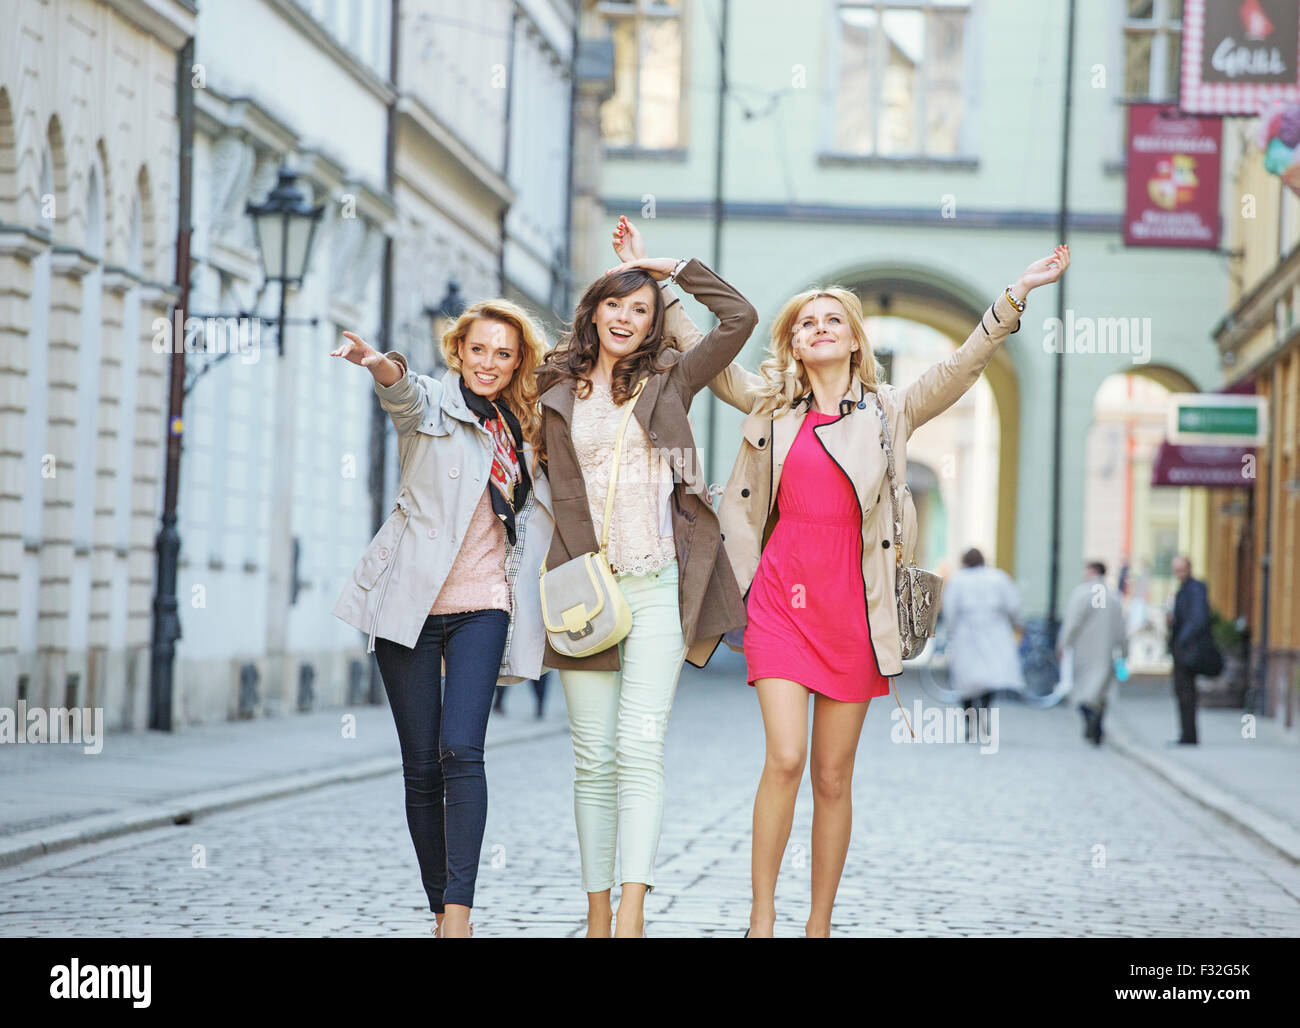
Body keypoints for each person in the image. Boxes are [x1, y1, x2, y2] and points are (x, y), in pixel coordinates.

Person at [667, 230, 1070, 937]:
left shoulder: (891, 410)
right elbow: (709, 357)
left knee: (831, 777)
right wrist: (663, 286)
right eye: (806, 323)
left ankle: (817, 924)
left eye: (833, 321)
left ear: (854, 341)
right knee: (785, 759)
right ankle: (762, 917)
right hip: (781, 604)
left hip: (856, 608)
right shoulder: (770, 409)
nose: (819, 329)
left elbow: (963, 365)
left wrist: (1016, 296)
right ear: (793, 344)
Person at [537, 229, 757, 939]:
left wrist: (671, 267)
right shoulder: (552, 383)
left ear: (653, 318)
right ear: (594, 312)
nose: (627, 318)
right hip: (580, 586)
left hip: (658, 581)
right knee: (592, 758)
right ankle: (596, 911)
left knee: (639, 745)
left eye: (641, 308)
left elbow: (739, 318)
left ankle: (631, 907)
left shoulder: (671, 379)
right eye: (616, 305)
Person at [330, 300, 554, 938]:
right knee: (421, 764)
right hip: (410, 604)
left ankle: (459, 916)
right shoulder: (432, 404)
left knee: (462, 748)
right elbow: (401, 395)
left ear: (518, 363)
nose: (489, 363)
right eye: (478, 350)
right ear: (459, 351)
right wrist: (378, 364)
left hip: (485, 603)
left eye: (503, 354)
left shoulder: (526, 431)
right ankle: (437, 905)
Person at [940, 547, 1025, 741]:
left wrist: (950, 632)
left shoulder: (958, 580)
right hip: (994, 630)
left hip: (966, 631)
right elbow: (1013, 604)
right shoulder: (998, 577)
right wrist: (1017, 624)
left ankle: (970, 719)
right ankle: (984, 711)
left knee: (966, 679)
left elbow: (950, 609)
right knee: (989, 677)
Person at [1057, 561, 1128, 746]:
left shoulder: (1082, 593)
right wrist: (1124, 651)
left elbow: (1073, 622)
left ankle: (1089, 718)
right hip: (1106, 650)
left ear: (1092, 571)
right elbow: (1122, 628)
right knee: (1101, 691)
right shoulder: (1113, 596)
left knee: (1082, 690)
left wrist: (1064, 643)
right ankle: (1096, 720)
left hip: (1084, 649)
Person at [1166, 555, 1218, 746]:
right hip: (1183, 648)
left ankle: (1189, 736)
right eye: (1176, 570)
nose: (1178, 574)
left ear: (1189, 568)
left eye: (1181, 570)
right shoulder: (1184, 589)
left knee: (1186, 693)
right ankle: (1186, 734)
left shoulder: (1195, 588)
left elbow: (1198, 618)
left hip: (1189, 649)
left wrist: (1181, 640)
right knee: (1182, 693)